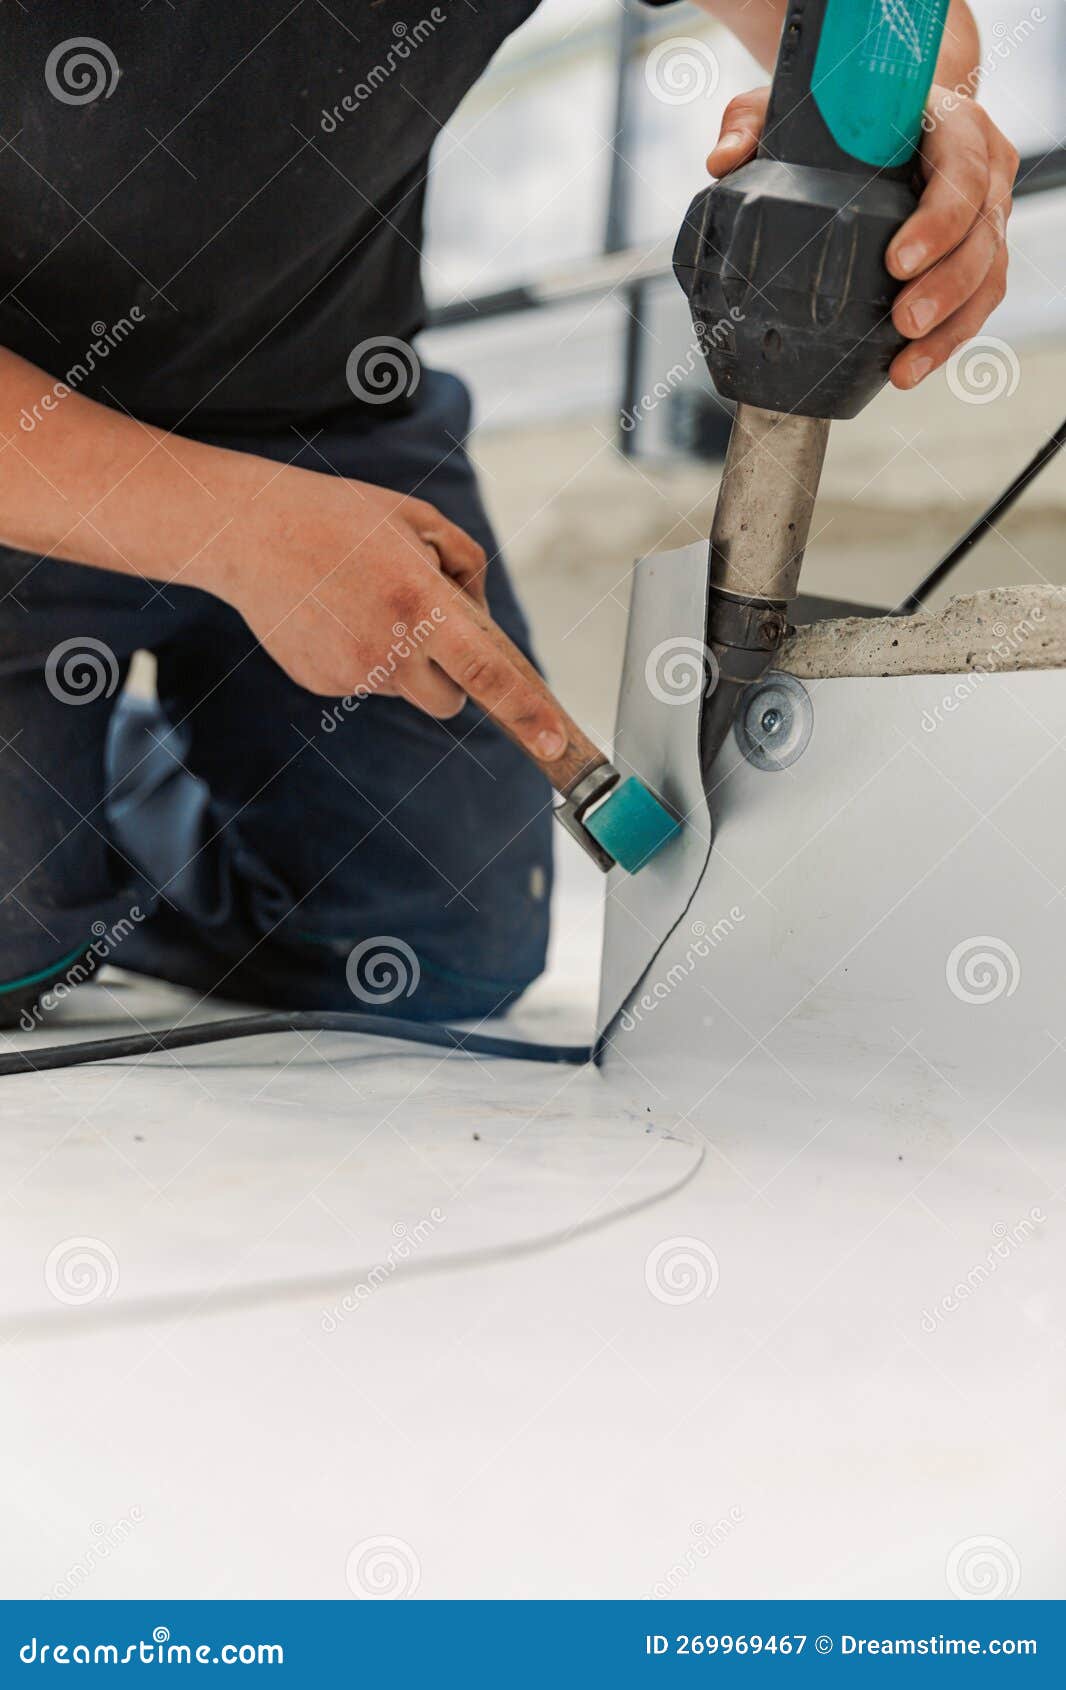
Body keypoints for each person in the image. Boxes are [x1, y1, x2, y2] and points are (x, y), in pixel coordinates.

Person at [0, 1, 1018, 1027]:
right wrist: (233, 530)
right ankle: (50, 843)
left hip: (323, 407)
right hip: (24, 444)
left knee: (437, 950)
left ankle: (95, 797)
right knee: (12, 936)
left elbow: (882, 21)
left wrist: (920, 118)